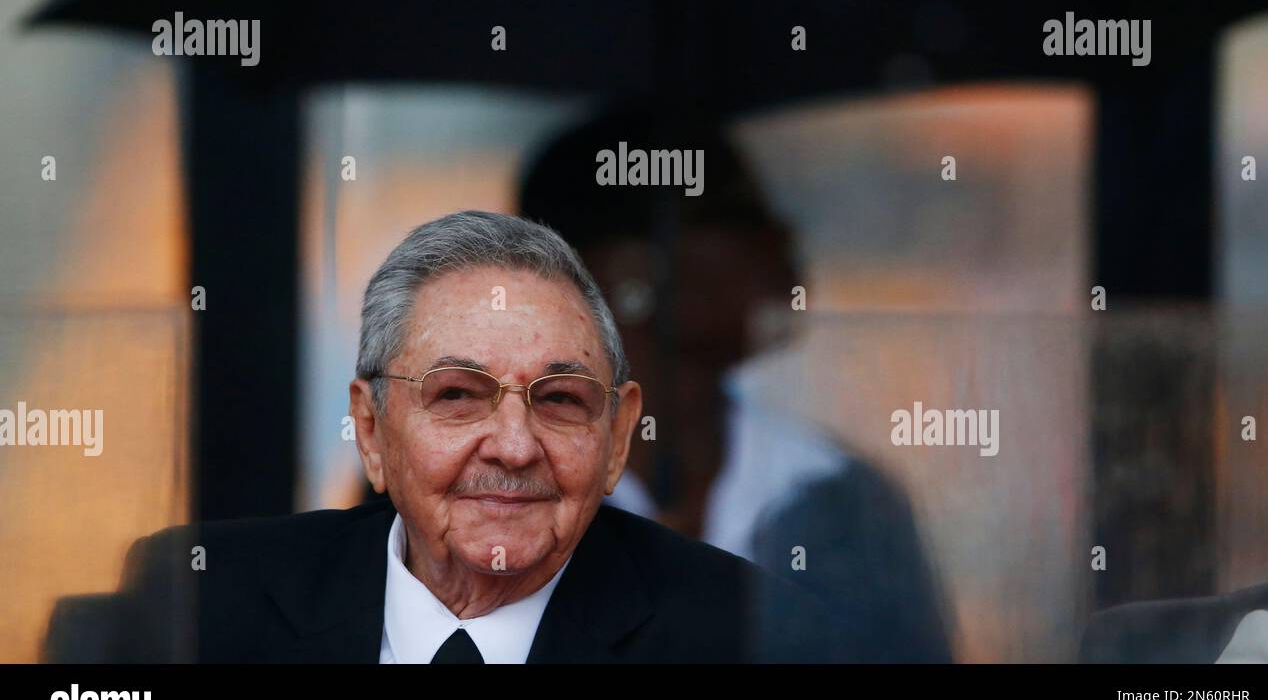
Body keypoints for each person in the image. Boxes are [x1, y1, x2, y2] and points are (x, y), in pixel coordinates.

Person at [102, 210, 846, 663]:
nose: (514, 446)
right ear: (370, 429)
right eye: (458, 395)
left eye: (559, 399)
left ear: (619, 437)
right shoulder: (197, 607)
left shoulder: (750, 637)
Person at [518, 105, 952, 662]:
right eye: (739, 215)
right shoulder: (468, 489)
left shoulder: (844, 498)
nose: (783, 243)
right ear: (629, 274)